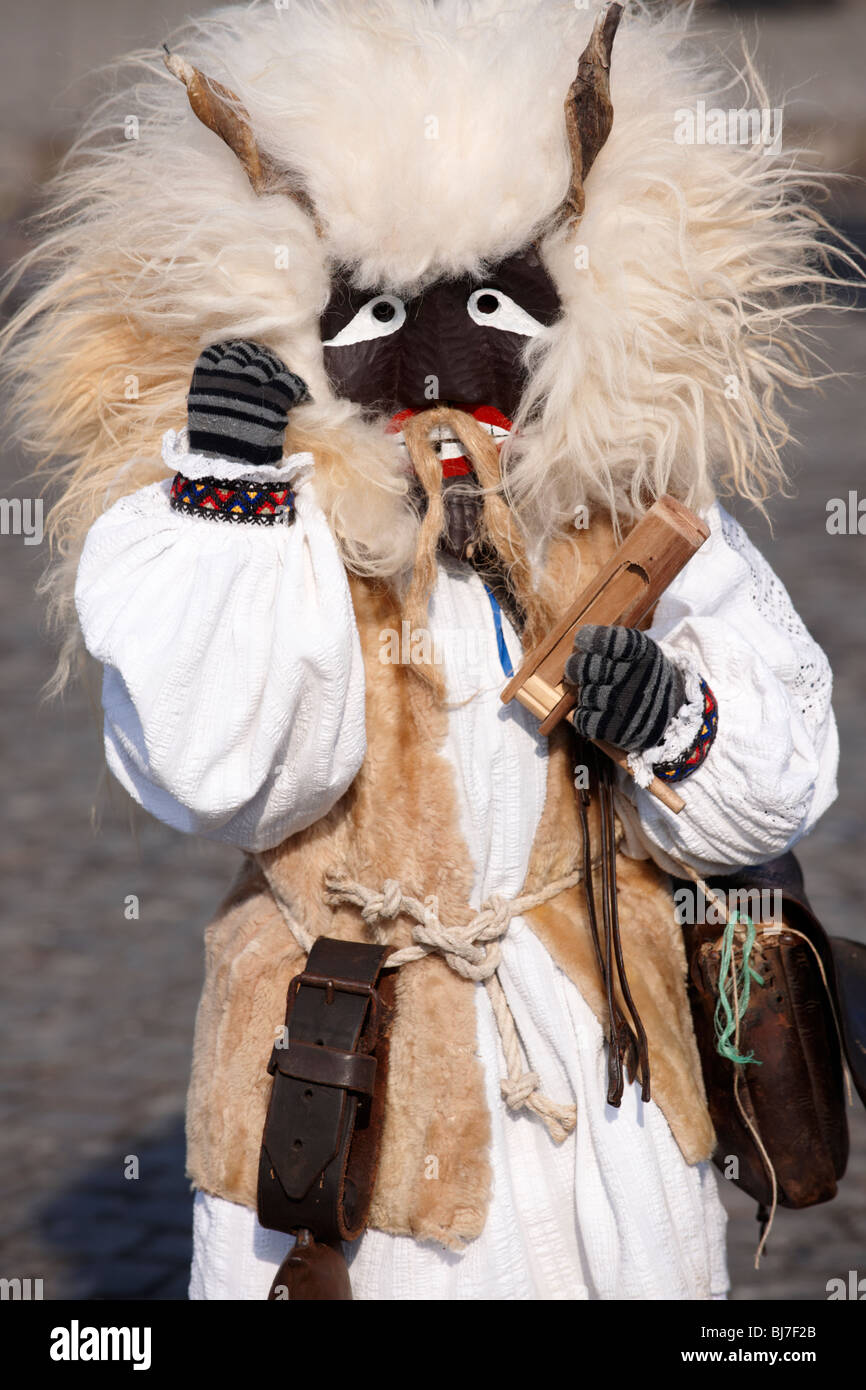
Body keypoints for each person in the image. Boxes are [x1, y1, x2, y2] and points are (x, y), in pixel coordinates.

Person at [5, 0, 843, 1299]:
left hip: (600, 1051)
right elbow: (233, 773)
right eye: (381, 310)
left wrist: (673, 721)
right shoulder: (279, 527)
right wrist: (231, 498)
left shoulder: (640, 515)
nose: (440, 364)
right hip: (340, 1067)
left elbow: (775, 783)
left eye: (495, 299)